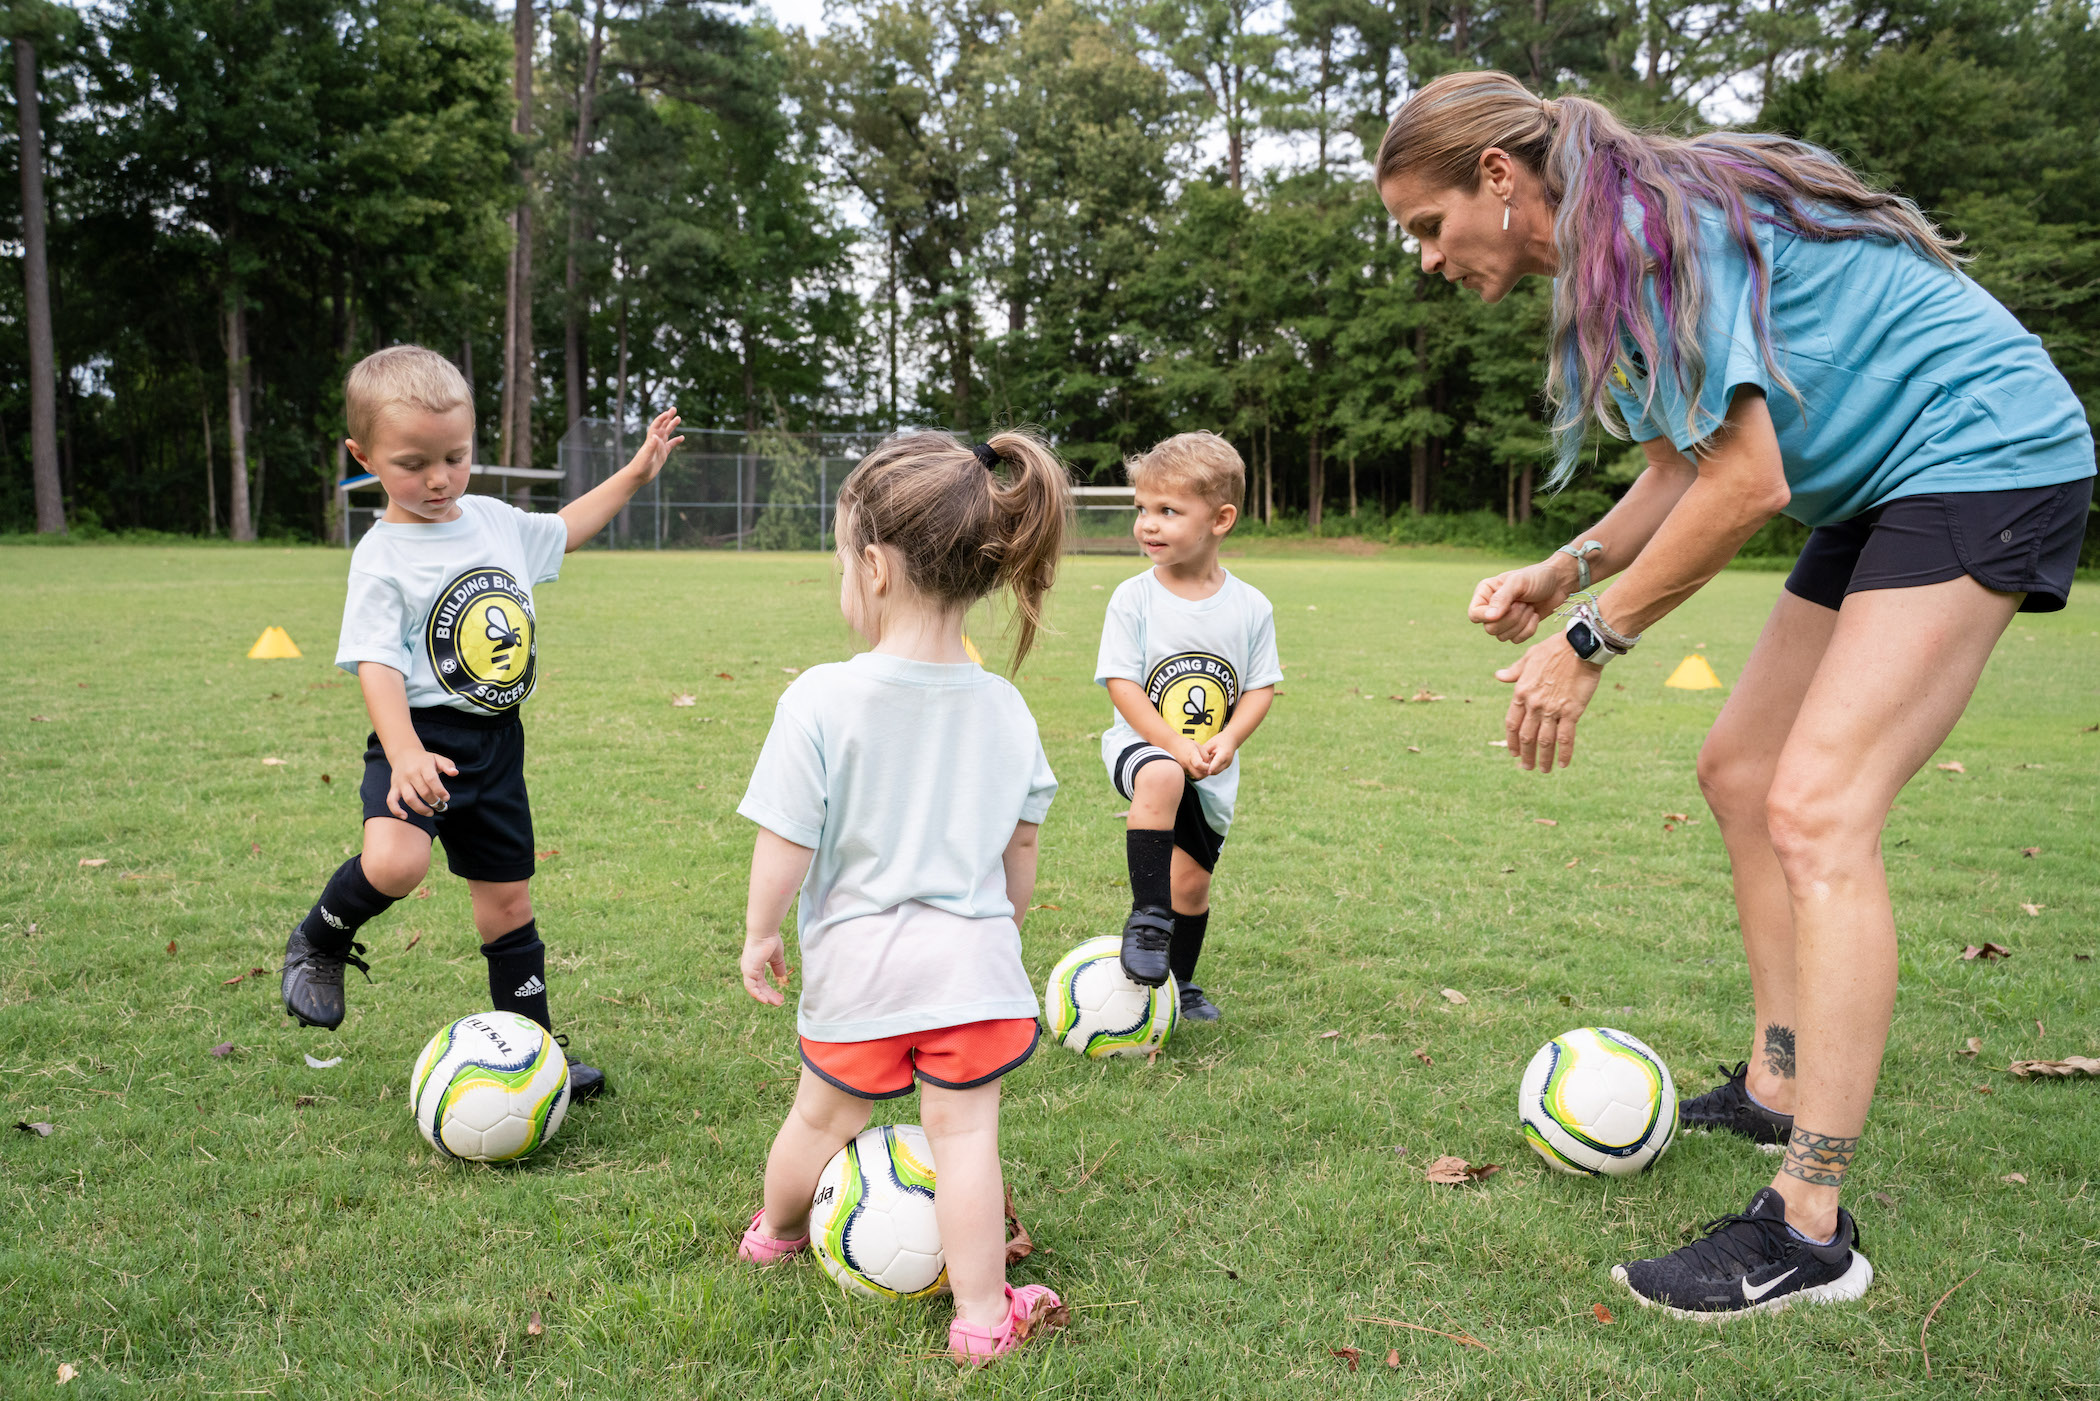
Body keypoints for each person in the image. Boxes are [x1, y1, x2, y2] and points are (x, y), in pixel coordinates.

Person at [1377, 71, 2093, 1317]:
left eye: (1428, 228)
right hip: (1881, 483)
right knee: (1741, 772)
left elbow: (1747, 486)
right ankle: (1776, 1085)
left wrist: (1591, 640)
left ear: (1498, 177)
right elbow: (1680, 465)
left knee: (1818, 809)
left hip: (1981, 453)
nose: (1429, 262)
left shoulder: (1651, 232)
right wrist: (1565, 570)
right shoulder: (1615, 252)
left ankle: (1809, 1227)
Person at [733, 430, 1072, 1367]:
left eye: (841, 560)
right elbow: (1023, 845)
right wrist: (1004, 914)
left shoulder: (821, 697)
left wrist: (763, 930)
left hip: (858, 969)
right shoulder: (1007, 706)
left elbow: (786, 837)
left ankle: (776, 1232)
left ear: (874, 566)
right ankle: (978, 1316)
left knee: (819, 1116)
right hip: (971, 969)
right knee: (964, 1138)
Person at [281, 344, 684, 1103]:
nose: (437, 478)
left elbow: (564, 529)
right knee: (398, 864)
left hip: (497, 747)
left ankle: (534, 1054)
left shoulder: (495, 521)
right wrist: (403, 754)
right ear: (363, 456)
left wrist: (634, 473)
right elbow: (376, 663)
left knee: (508, 905)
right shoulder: (382, 554)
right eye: (413, 463)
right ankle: (322, 936)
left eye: (455, 456)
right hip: (420, 739)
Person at [1097, 433, 1280, 1021]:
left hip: (1209, 768)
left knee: (1193, 889)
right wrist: (1171, 743)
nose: (1148, 524)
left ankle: (1177, 988)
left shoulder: (1251, 606)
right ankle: (1147, 920)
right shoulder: (1134, 599)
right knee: (1159, 777)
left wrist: (1226, 739)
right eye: (1142, 510)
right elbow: (1121, 682)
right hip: (1143, 747)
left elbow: (1259, 688)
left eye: (1168, 511)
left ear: (1220, 519)